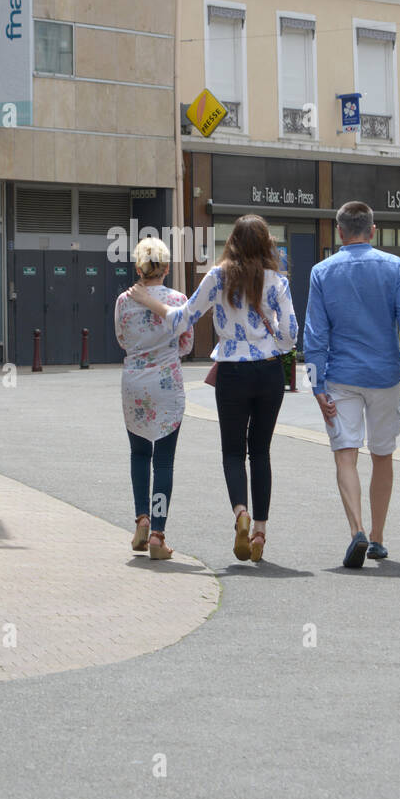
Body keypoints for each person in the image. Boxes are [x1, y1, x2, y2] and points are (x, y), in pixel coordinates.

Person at [130, 214, 297, 563]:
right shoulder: (277, 282)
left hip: (232, 373)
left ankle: (240, 514)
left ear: (231, 242)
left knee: (234, 453)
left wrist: (150, 302)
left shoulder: (218, 277)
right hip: (268, 373)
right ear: (267, 244)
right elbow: (290, 335)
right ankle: (260, 534)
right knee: (261, 452)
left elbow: (183, 318)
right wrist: (268, 340)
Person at [303, 200, 400, 568]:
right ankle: (377, 537)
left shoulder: (322, 272)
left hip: (341, 377)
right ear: (372, 230)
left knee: (345, 453)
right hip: (384, 375)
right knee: (382, 454)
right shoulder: (394, 267)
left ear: (339, 231)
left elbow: (315, 334)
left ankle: (356, 530)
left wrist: (316, 385)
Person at [114, 237, 193, 560]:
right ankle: (158, 532)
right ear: (167, 267)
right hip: (166, 383)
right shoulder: (177, 299)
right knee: (163, 460)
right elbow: (186, 343)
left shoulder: (124, 300)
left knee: (138, 454)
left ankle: (141, 518)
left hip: (134, 382)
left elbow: (121, 339)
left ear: (138, 267)